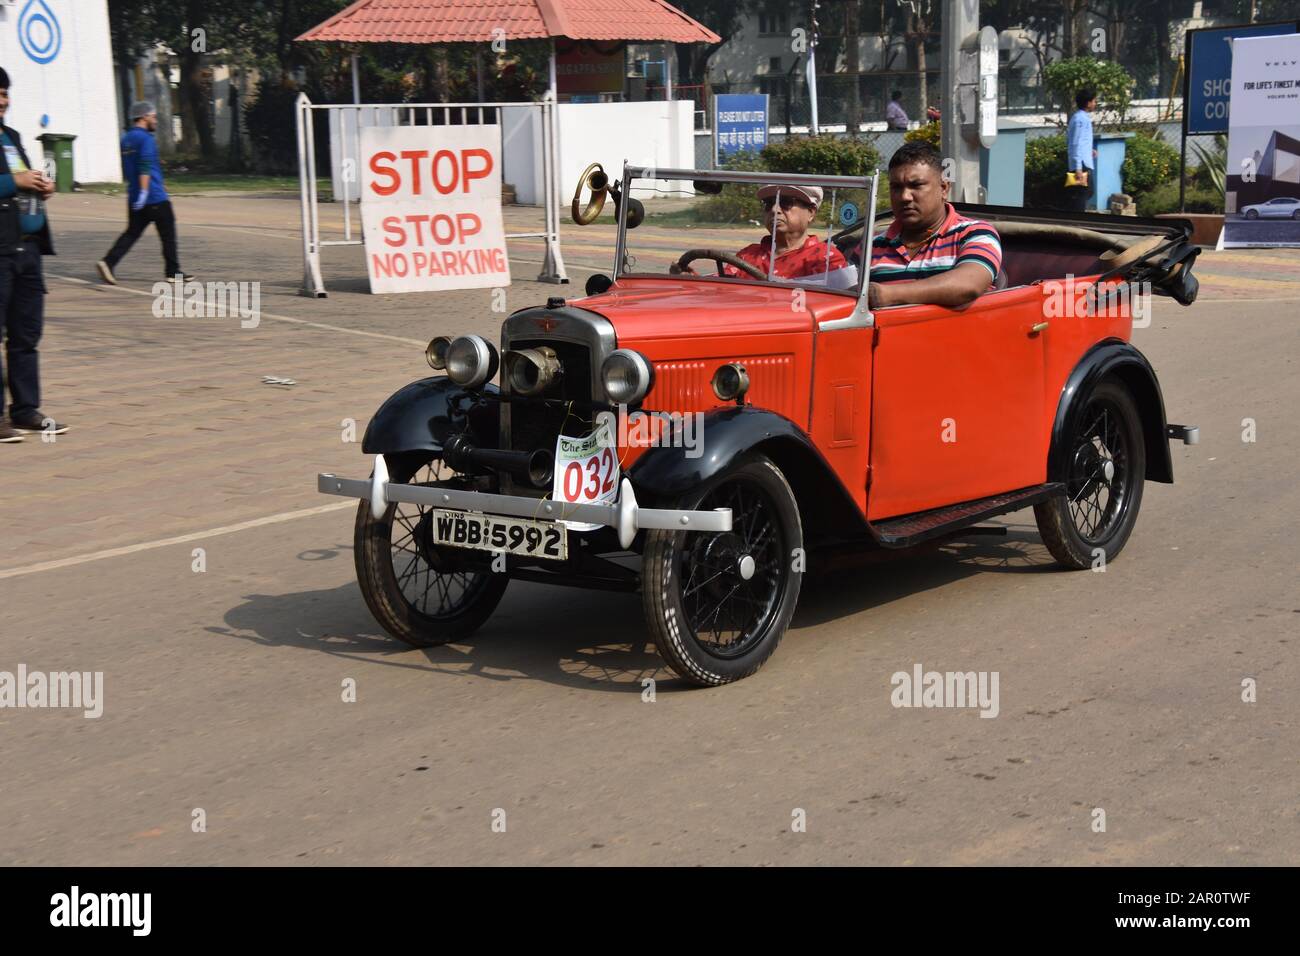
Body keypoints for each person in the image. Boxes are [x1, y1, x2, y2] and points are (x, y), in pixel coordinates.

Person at [0, 66, 65, 444]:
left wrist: (40, 186)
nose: (3, 101)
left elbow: (21, 180)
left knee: (26, 335)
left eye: (6, 94)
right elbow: (11, 182)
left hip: (28, 249)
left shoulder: (11, 137)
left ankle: (25, 410)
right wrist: (15, 182)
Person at [856, 142, 1002, 309]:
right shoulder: (871, 245)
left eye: (916, 185)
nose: (904, 197)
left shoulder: (975, 233)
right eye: (896, 187)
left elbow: (968, 285)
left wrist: (885, 295)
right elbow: (844, 295)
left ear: (944, 188)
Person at [97, 101, 191, 284]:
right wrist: (146, 190)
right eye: (153, 116)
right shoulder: (146, 139)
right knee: (168, 234)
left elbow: (131, 168)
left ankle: (108, 262)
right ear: (144, 117)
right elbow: (145, 166)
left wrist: (141, 191)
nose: (155, 120)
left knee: (132, 233)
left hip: (134, 195)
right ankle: (173, 272)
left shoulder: (126, 139)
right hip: (153, 197)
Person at [705, 183, 856, 287]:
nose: (774, 209)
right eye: (768, 203)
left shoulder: (825, 257)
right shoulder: (748, 255)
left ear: (811, 212)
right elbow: (721, 287)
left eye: (785, 202)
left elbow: (830, 307)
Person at [1065, 88, 1098, 212]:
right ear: (1088, 103)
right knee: (1081, 194)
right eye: (1094, 101)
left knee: (1086, 191)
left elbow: (1080, 141)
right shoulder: (1080, 119)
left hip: (1084, 161)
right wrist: (1078, 167)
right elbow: (1075, 143)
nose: (1095, 104)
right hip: (1081, 164)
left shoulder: (1080, 117)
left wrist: (1090, 150)